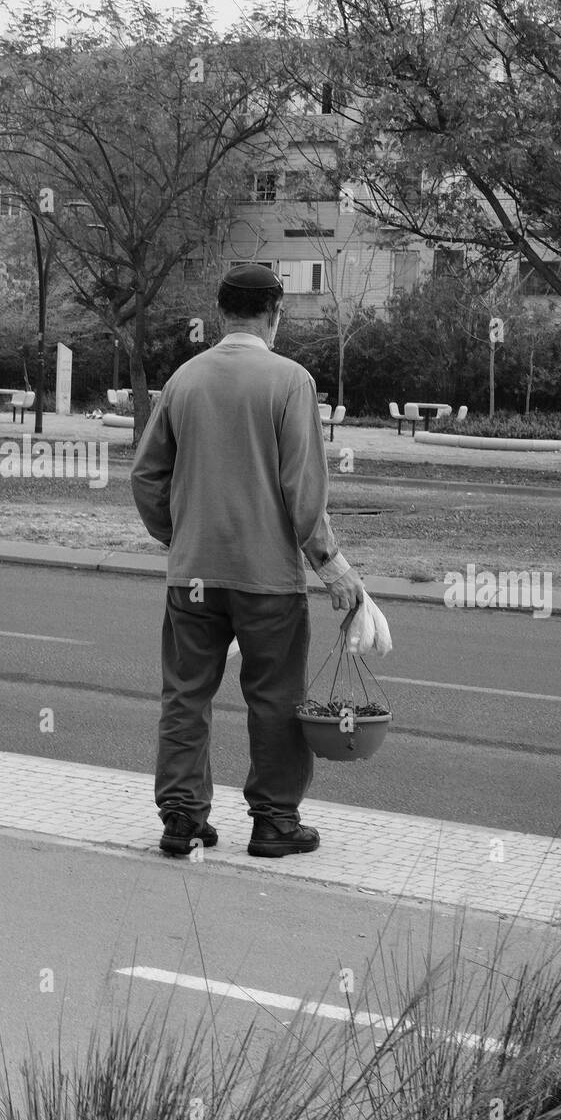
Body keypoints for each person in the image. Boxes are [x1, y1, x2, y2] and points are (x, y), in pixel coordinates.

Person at [131, 264, 365, 860]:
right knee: (275, 699)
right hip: (268, 581)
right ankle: (274, 822)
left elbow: (146, 476)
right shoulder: (290, 381)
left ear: (220, 312)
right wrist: (332, 567)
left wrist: (179, 535)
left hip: (193, 576)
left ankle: (182, 819)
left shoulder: (183, 379)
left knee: (185, 695)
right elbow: (303, 489)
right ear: (275, 314)